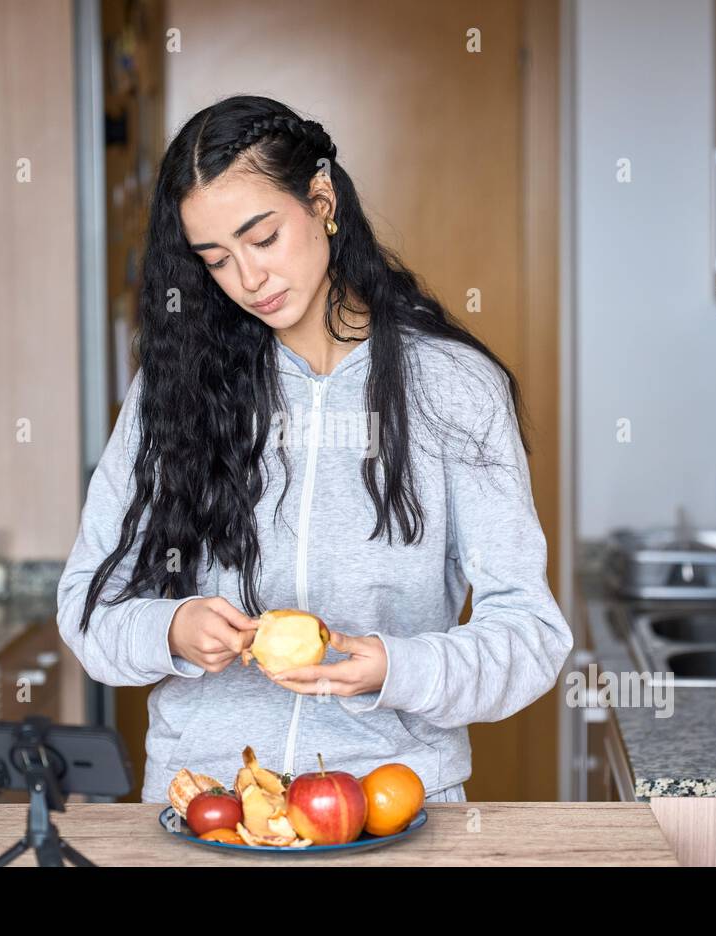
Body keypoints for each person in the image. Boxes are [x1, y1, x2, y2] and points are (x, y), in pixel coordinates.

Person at [57, 94, 574, 805]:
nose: (248, 279)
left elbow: (530, 637)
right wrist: (170, 628)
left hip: (392, 808)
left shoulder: (455, 386)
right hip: (210, 806)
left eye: (262, 238)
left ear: (322, 198)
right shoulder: (173, 389)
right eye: (217, 259)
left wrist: (393, 667)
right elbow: (88, 609)